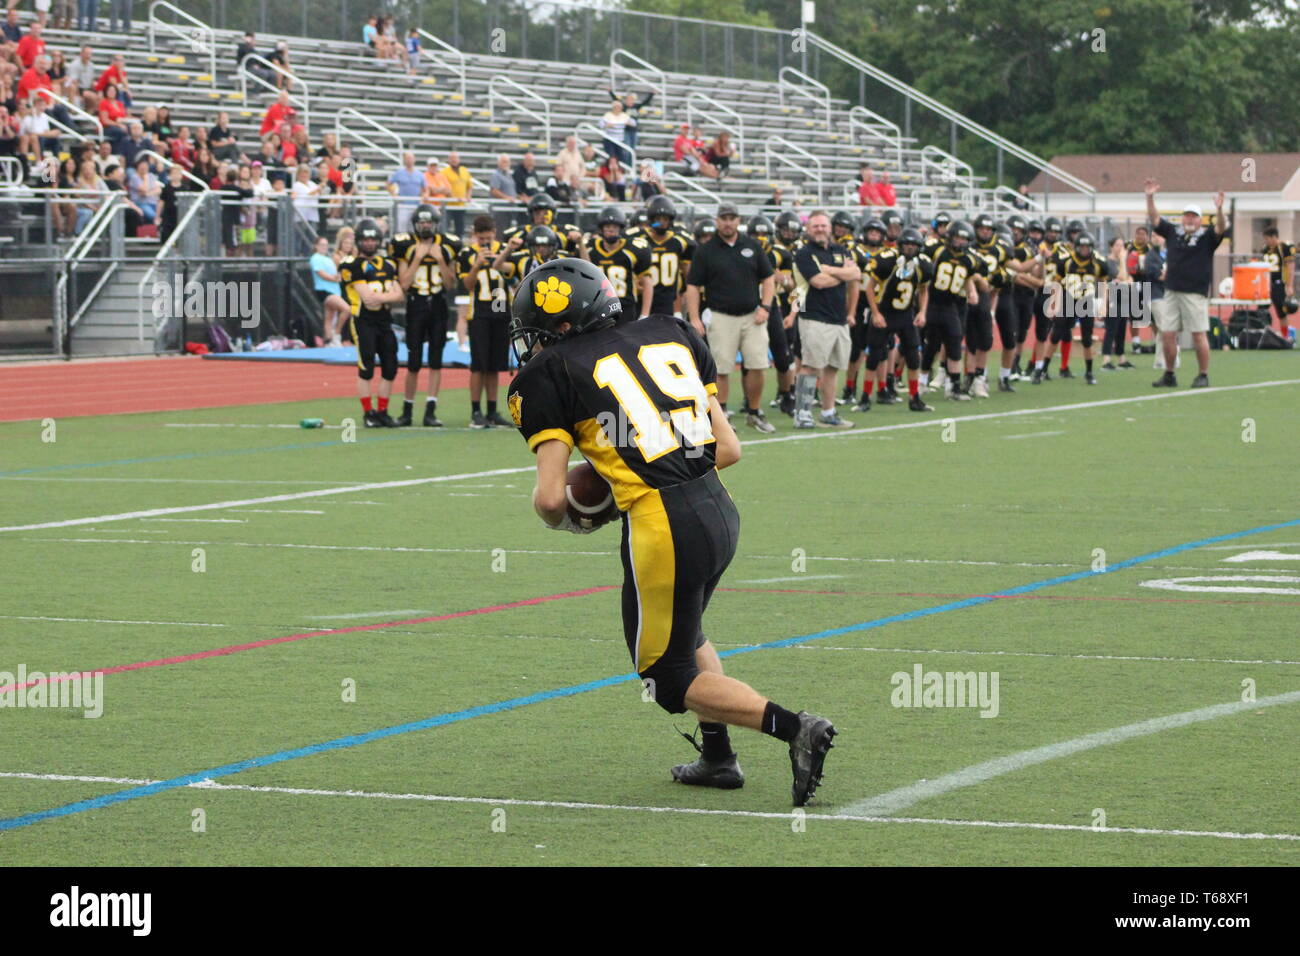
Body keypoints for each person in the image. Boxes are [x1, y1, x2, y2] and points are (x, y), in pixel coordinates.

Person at [505, 257, 837, 804]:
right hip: (718, 508)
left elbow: (548, 498)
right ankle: (717, 756)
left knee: (663, 674)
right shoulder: (670, 329)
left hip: (663, 525)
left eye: (540, 332)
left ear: (563, 326)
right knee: (688, 632)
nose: (534, 345)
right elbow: (727, 448)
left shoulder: (551, 371)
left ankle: (796, 728)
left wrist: (585, 509)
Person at [684, 203, 776, 432]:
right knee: (722, 369)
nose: (728, 222)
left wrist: (766, 306)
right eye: (724, 218)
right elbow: (693, 286)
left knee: (758, 365)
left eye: (732, 218)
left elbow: (768, 278)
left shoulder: (752, 245)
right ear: (717, 221)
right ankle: (722, 413)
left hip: (752, 315)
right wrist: (694, 318)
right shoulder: (706, 250)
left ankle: (754, 412)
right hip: (720, 316)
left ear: (738, 220)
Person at [1145, 178, 1227, 388]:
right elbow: (1155, 220)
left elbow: (1220, 227)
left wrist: (1219, 209)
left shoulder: (1206, 237)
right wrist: (1150, 197)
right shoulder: (1174, 232)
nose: (1190, 219)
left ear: (1200, 220)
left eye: (1194, 216)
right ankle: (1169, 373)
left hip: (1194, 292)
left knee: (1198, 334)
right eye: (1187, 215)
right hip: (1171, 290)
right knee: (1168, 334)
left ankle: (1203, 374)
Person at [391, 204, 459, 426]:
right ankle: (407, 410)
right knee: (413, 361)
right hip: (416, 304)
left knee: (436, 361)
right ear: (415, 224)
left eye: (429, 222)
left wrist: (440, 260)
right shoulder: (406, 246)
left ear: (436, 224)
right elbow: (403, 284)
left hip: (438, 304)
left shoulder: (447, 246)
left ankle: (431, 410)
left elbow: (450, 284)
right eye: (422, 222)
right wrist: (418, 258)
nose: (425, 226)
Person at [790, 210, 859, 428]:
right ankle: (802, 413)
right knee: (810, 366)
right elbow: (818, 281)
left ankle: (828, 412)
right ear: (808, 229)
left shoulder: (840, 250)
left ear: (830, 228)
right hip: (814, 317)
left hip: (839, 319)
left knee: (832, 368)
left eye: (823, 225)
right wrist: (842, 273)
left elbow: (856, 274)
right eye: (815, 226)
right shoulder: (804, 253)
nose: (820, 229)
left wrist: (831, 270)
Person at [339, 219, 405, 426]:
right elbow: (368, 299)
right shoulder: (351, 264)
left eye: (372, 239)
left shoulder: (388, 263)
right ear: (358, 241)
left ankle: (383, 411)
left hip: (384, 321)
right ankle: (368, 413)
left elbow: (400, 294)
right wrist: (389, 295)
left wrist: (386, 297)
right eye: (365, 239)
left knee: (390, 367)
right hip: (363, 320)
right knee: (366, 367)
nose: (369, 243)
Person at [864, 227, 933, 412]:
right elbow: (870, 288)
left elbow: (924, 290)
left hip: (906, 314)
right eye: (906, 244)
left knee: (913, 357)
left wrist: (922, 312)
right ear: (900, 244)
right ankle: (865, 398)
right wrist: (876, 313)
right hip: (885, 312)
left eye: (913, 245)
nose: (909, 248)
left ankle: (914, 398)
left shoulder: (923, 265)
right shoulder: (886, 260)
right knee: (874, 356)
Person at [457, 214, 513, 429]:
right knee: (479, 365)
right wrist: (477, 265)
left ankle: (492, 411)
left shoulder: (504, 250)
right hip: (479, 313)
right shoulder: (467, 253)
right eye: (481, 239)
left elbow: (512, 278)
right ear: (475, 236)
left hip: (500, 311)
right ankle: (475, 411)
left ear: (494, 234)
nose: (485, 243)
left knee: (494, 365)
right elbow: (467, 285)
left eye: (488, 238)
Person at [920, 220, 977, 400]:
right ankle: (921, 382)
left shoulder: (969, 259)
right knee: (932, 345)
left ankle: (953, 387)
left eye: (964, 238)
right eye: (958, 237)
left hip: (951, 305)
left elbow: (967, 277)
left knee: (954, 342)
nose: (960, 241)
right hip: (932, 302)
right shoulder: (936, 250)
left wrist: (972, 291)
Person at [579, 204, 652, 323]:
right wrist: (580, 243)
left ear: (621, 228)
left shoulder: (632, 250)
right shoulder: (590, 249)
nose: (611, 229)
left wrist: (644, 314)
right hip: (600, 308)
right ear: (601, 228)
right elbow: (586, 267)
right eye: (607, 226)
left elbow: (647, 282)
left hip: (626, 309)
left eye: (614, 226)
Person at [1259, 227, 1295, 340]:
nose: (1266, 241)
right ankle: (1264, 334)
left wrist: (1289, 285)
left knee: (1281, 311)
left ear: (1274, 237)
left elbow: (1290, 267)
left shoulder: (1283, 247)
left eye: (1267, 238)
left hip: (1279, 283)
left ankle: (1285, 336)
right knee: (1261, 309)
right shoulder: (1265, 248)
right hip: (1266, 284)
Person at [387, 150, 423, 233]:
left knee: (415, 228)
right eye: (407, 158)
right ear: (404, 160)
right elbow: (388, 184)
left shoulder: (420, 174)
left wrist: (423, 197)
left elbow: (425, 189)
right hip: (403, 205)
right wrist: (394, 195)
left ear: (414, 160)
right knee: (401, 228)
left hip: (415, 205)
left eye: (410, 158)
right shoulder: (399, 173)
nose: (409, 160)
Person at [442, 150, 472, 237]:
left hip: (461, 205)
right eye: (451, 158)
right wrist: (453, 197)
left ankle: (458, 245)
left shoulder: (464, 171)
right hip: (448, 205)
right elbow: (443, 188)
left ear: (459, 160)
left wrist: (468, 196)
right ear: (448, 160)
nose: (453, 160)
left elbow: (469, 185)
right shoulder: (444, 172)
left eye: (455, 158)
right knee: (445, 227)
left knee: (460, 228)